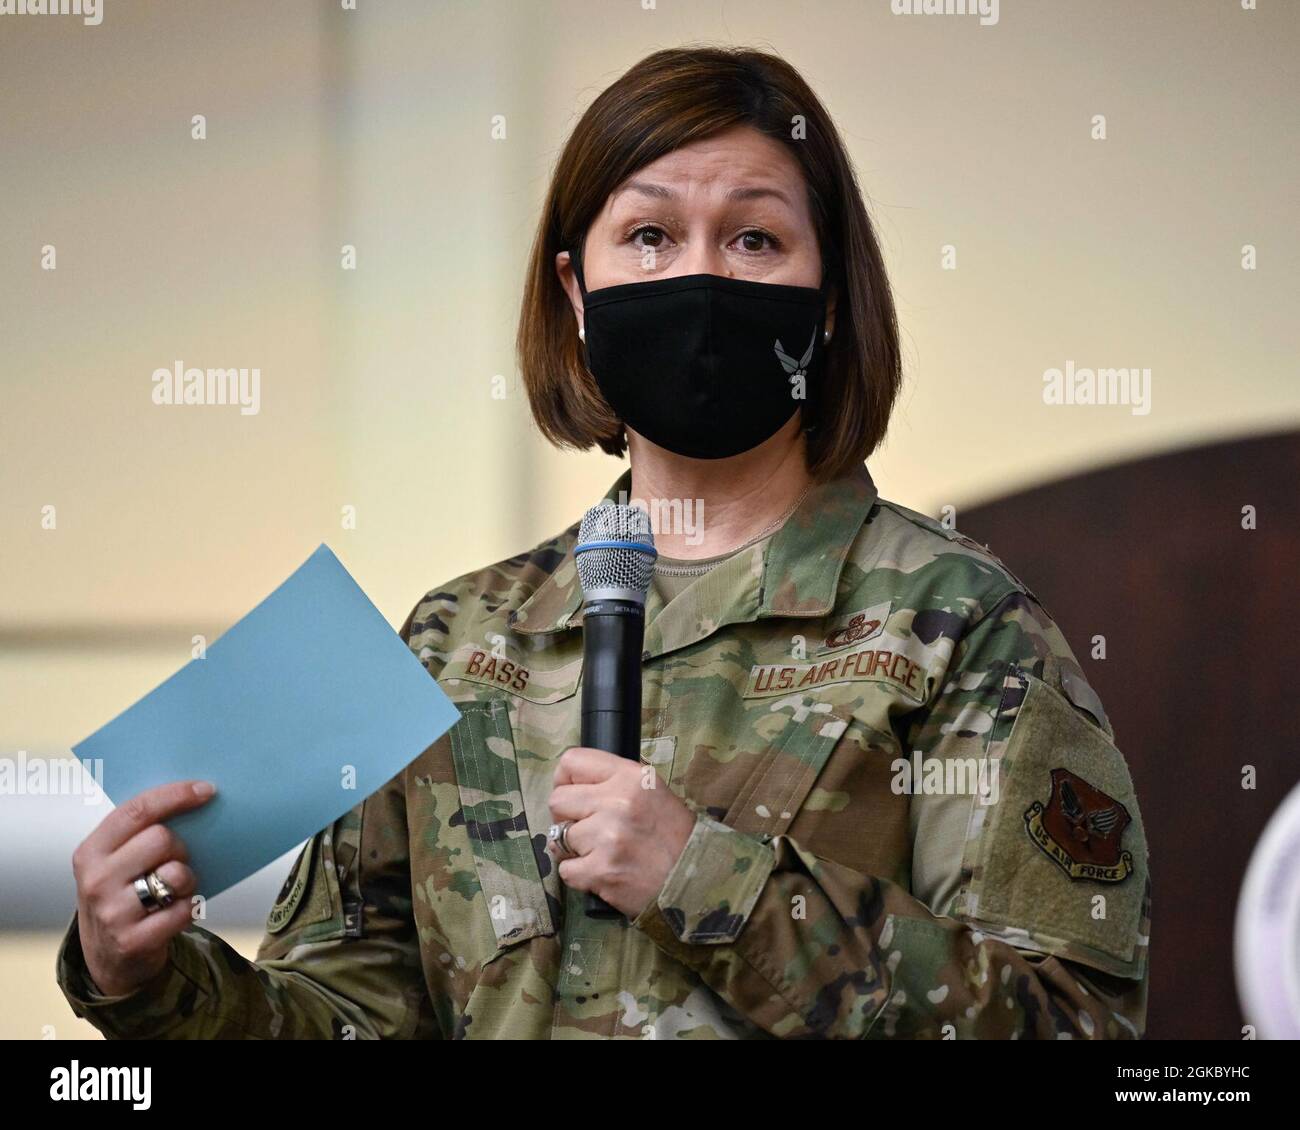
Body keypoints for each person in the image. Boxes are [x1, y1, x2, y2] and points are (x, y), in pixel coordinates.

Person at [56, 44, 1149, 1039]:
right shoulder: (454, 638)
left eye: (756, 237)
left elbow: (1071, 1027)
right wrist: (147, 976)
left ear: (824, 303)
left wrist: (709, 878)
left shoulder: (959, 623)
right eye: (649, 235)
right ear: (577, 291)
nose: (699, 276)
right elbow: (349, 1018)